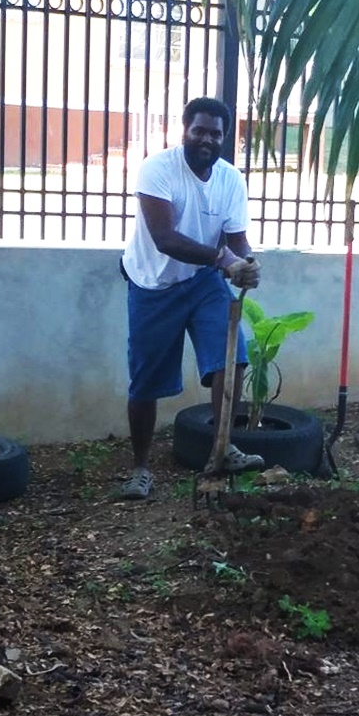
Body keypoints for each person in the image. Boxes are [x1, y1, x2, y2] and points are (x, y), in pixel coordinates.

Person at [119, 97, 264, 500]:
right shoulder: (158, 170)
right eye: (199, 130)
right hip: (153, 285)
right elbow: (165, 239)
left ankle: (222, 448)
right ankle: (140, 469)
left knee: (230, 358)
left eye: (215, 133)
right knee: (146, 381)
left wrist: (247, 262)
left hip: (202, 282)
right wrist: (224, 259)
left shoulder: (231, 179)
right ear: (185, 130)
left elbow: (236, 240)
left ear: (225, 137)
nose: (206, 138)